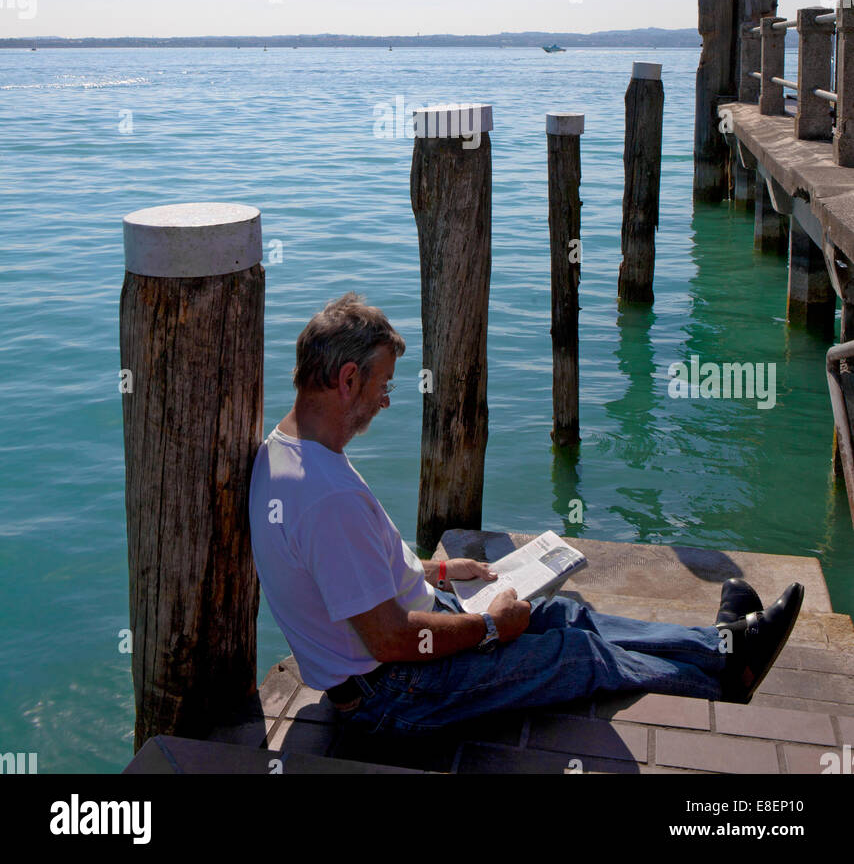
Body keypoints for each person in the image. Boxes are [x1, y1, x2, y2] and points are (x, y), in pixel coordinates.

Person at [248, 293, 804, 736]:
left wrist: (436, 571)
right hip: (392, 694)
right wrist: (492, 627)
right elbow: (390, 641)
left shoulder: (288, 452)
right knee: (573, 654)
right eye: (383, 384)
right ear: (348, 379)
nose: (387, 400)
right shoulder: (326, 497)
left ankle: (726, 648)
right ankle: (727, 681)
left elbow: (349, 578)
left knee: (565, 616)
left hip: (395, 659)